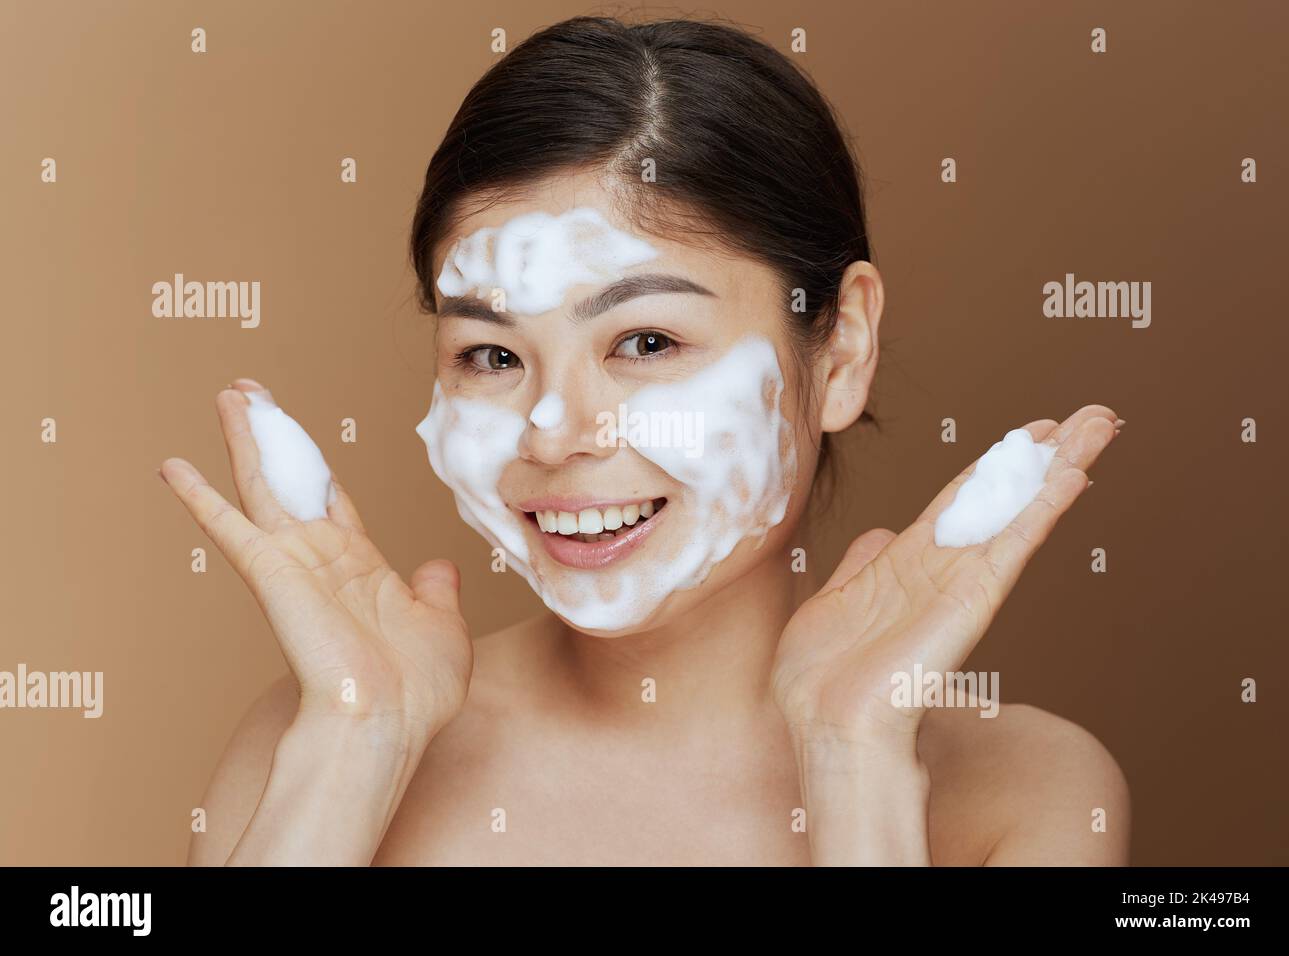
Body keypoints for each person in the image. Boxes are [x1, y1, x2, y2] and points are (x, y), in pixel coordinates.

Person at [162, 16, 1128, 865]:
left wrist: (853, 763)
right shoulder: (320, 733)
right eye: (493, 356)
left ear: (840, 351)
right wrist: (352, 747)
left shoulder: (1025, 794)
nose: (555, 433)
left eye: (646, 341)